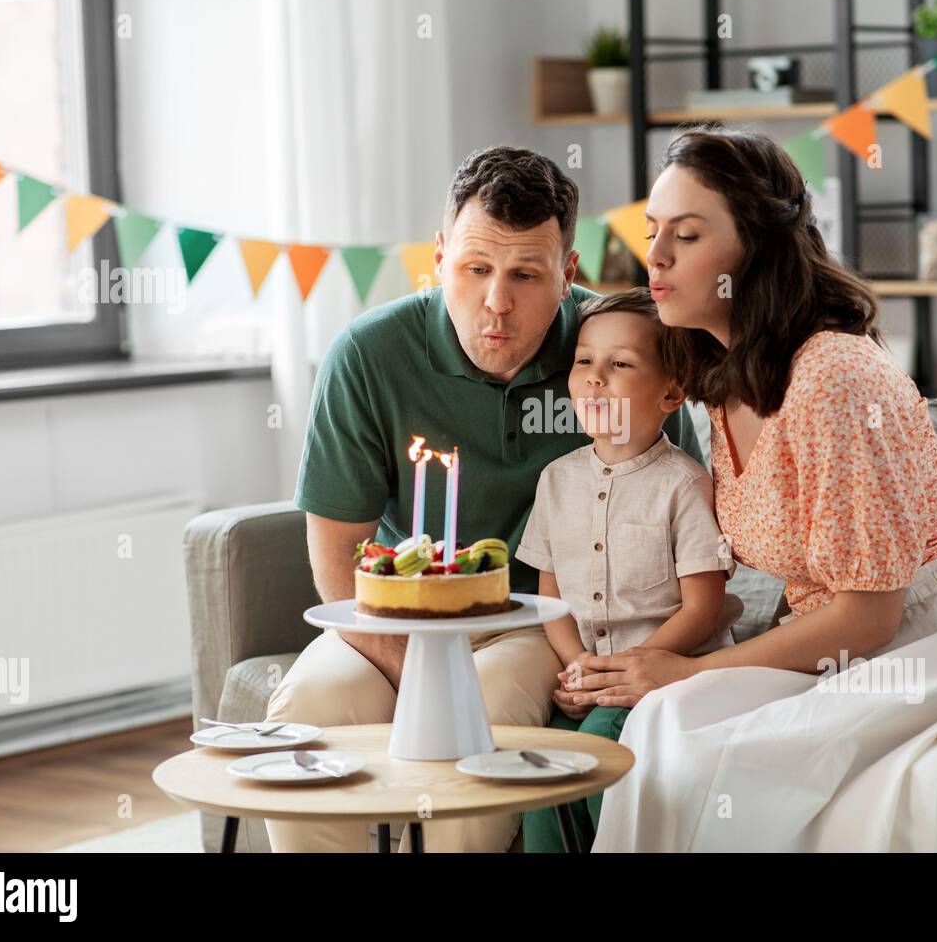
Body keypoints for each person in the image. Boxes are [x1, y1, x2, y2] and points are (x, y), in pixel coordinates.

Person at [570, 127, 937, 852]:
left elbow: (868, 618)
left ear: (753, 250)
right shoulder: (717, 382)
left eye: (687, 236)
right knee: (665, 722)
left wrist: (678, 666)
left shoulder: (834, 375)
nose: (655, 257)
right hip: (841, 642)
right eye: (652, 231)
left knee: (713, 755)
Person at [263, 146, 704, 853]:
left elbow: (677, 515)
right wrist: (420, 671)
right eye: (475, 270)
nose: (497, 302)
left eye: (526, 275)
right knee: (313, 709)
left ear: (567, 275)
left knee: (486, 717)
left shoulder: (619, 351)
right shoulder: (369, 355)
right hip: (393, 620)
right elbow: (336, 555)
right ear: (439, 259)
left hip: (539, 621)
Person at [513, 287, 742, 852]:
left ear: (670, 391)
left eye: (619, 364)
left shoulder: (684, 484)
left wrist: (626, 671)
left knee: (596, 758)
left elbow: (703, 606)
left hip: (667, 677)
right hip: (592, 678)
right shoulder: (555, 480)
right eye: (584, 361)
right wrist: (579, 669)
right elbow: (550, 593)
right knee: (538, 771)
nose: (594, 377)